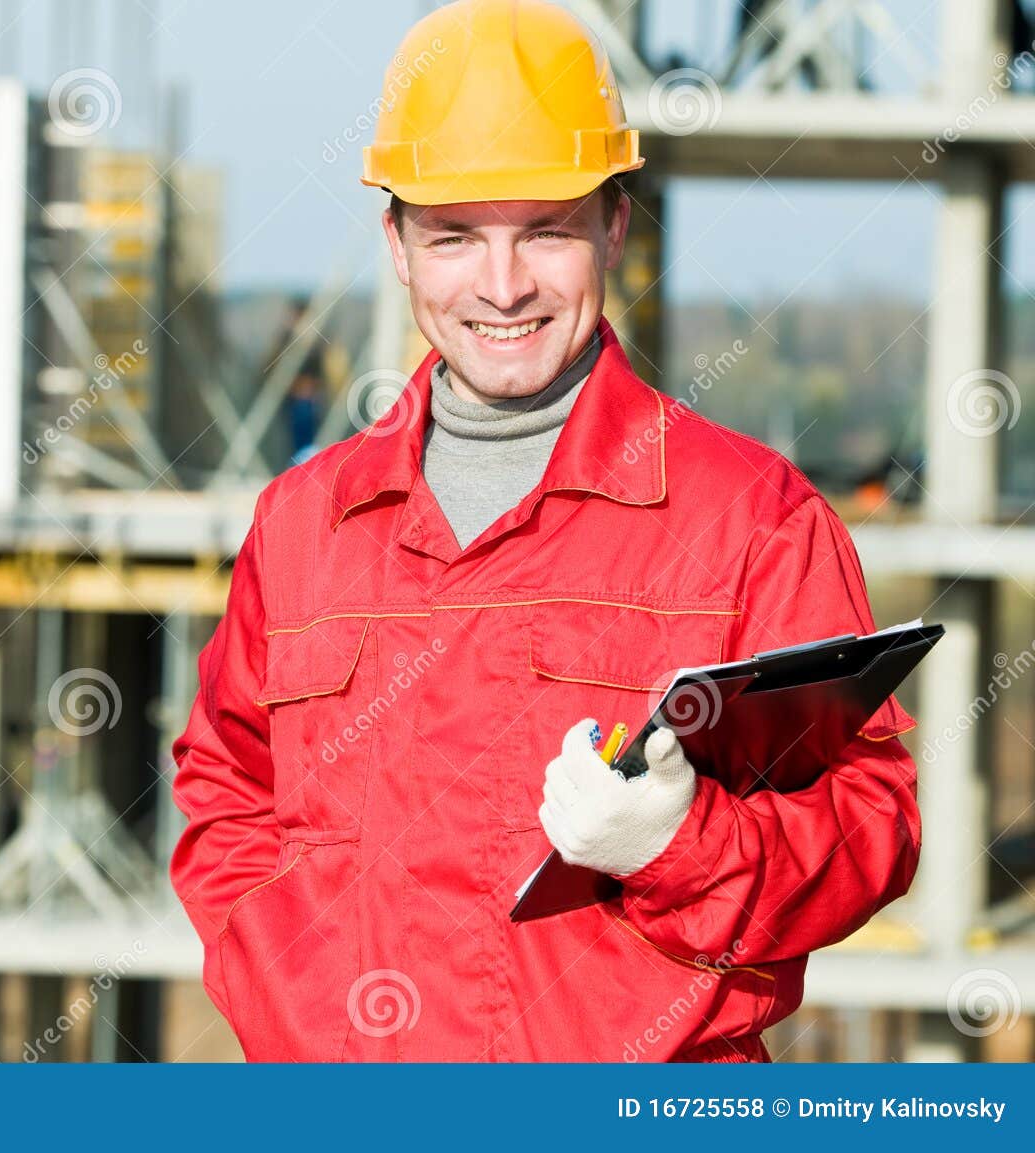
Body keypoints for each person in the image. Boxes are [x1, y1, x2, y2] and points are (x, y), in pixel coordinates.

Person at [169, 0, 919, 1062]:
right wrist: (290, 1009)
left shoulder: (750, 517)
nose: (503, 284)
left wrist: (680, 845)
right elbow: (227, 794)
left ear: (614, 225)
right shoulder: (304, 525)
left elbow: (869, 826)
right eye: (454, 237)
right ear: (396, 244)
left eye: (547, 232)